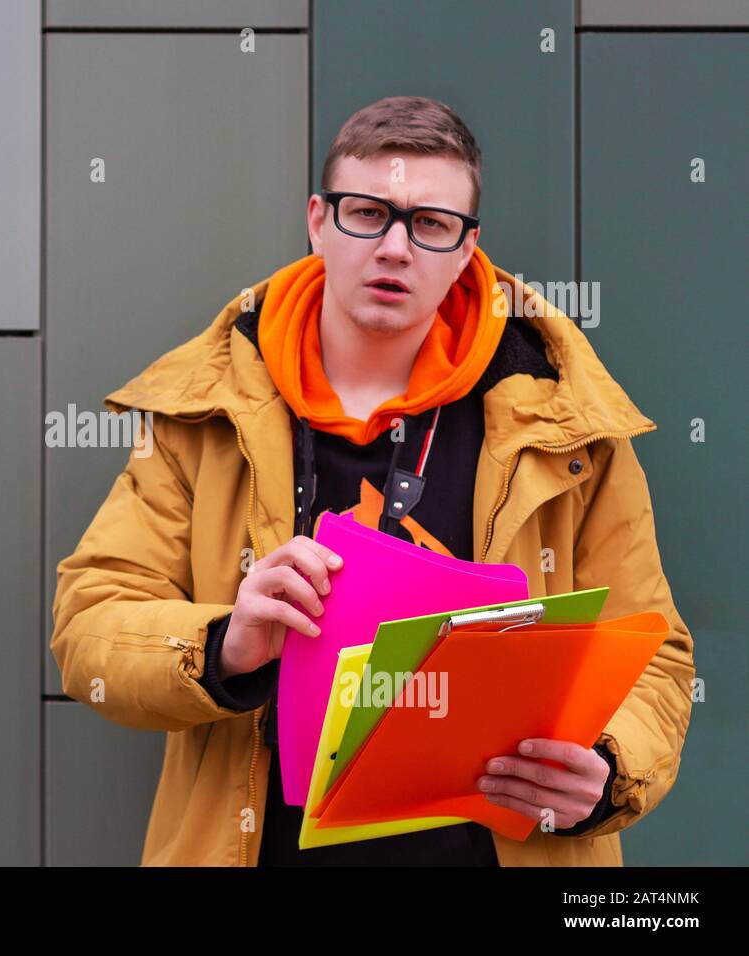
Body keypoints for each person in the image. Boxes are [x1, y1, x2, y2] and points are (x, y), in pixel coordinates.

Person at [50, 95, 694, 866]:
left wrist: (608, 773)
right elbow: (90, 623)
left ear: (467, 247)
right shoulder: (202, 413)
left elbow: (656, 658)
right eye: (368, 214)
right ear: (318, 221)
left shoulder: (568, 427)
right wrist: (225, 642)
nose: (394, 248)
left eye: (429, 224)